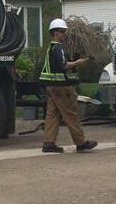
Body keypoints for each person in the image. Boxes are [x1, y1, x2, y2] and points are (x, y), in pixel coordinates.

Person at [39, 19, 98, 153]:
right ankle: (81, 143)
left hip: (51, 87)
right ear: (55, 33)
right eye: (62, 31)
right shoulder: (58, 48)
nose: (65, 34)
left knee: (53, 114)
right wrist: (77, 62)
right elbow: (64, 65)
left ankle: (49, 143)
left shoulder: (51, 48)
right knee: (71, 114)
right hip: (61, 87)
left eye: (65, 31)